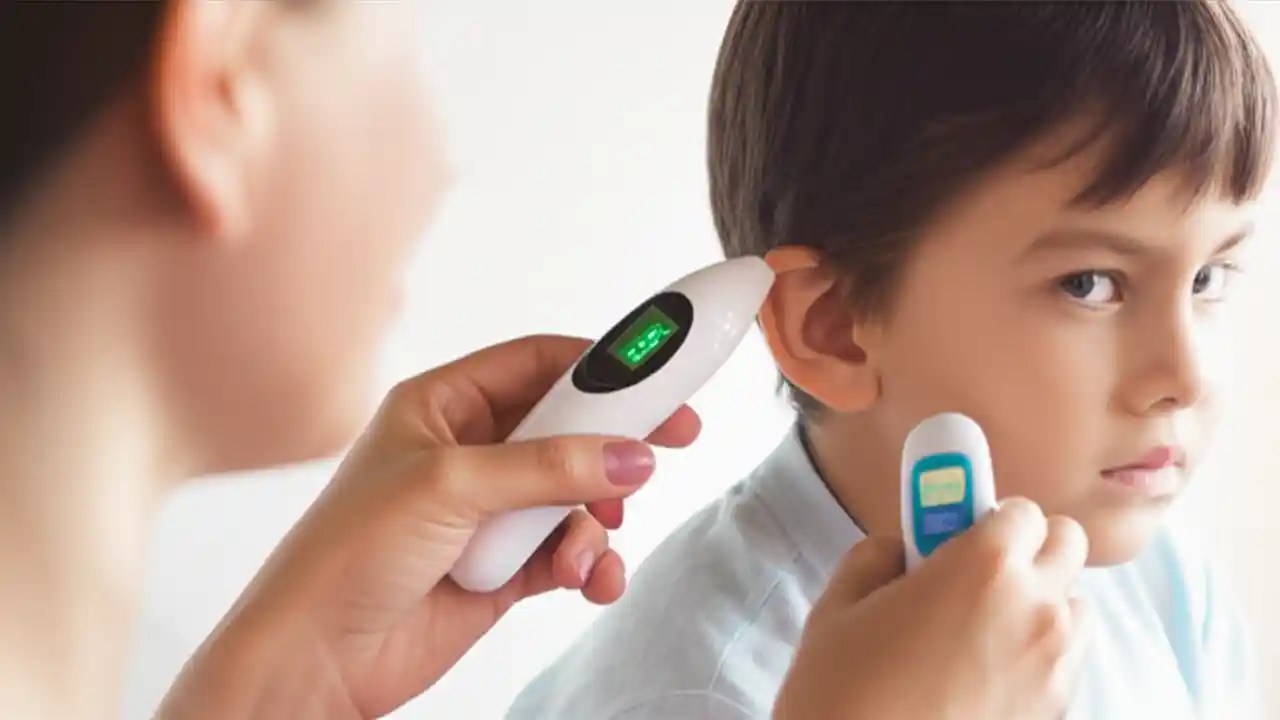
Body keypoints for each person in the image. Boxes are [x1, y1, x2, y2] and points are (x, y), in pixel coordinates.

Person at [509, 2, 1277, 719]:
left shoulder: (1163, 588)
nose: (1185, 378)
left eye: (1208, 278)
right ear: (837, 328)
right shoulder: (697, 693)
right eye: (1089, 284)